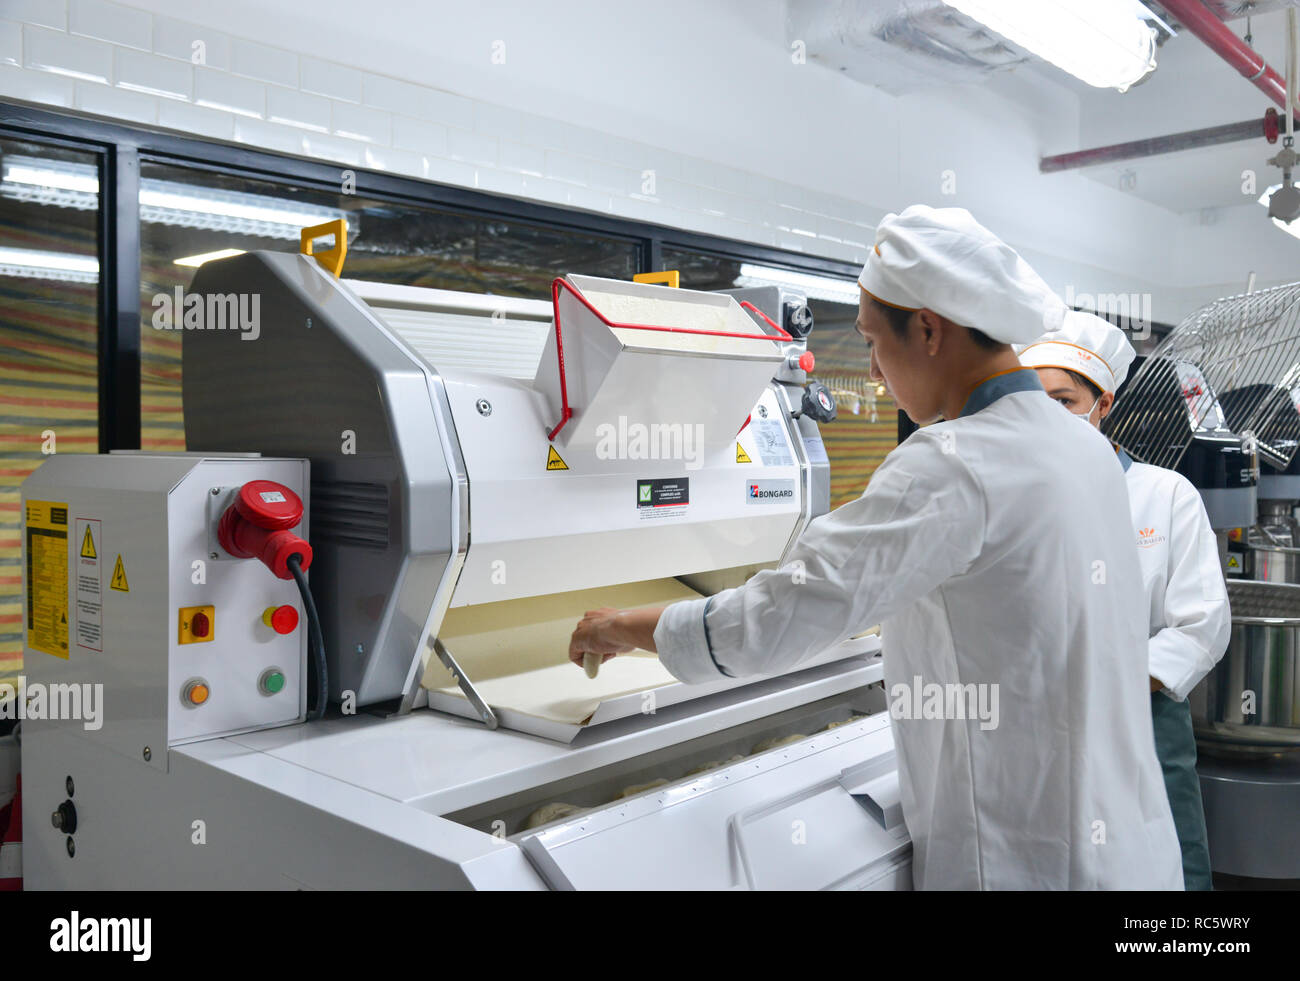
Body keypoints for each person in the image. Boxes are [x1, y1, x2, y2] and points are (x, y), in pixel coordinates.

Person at [568, 205, 1183, 890]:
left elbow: (780, 614)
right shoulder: (1082, 446)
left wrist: (622, 626)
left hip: (1024, 857)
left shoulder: (953, 461)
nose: (874, 369)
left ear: (926, 328)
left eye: (870, 340)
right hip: (1130, 850)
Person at [1018, 311, 1230, 890]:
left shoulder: (1164, 494)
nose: (1048, 420)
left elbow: (1201, 625)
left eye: (1063, 401)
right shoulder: (1013, 498)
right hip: (1036, 717)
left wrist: (1112, 681)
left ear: (1103, 403)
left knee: (1166, 866)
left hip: (1144, 715)